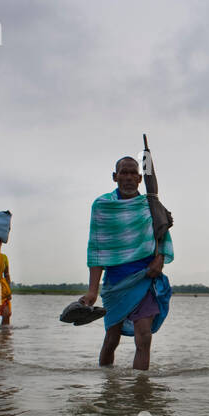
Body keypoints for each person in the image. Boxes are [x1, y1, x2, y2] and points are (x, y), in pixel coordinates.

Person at [80, 156, 174, 370]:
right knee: (111, 338)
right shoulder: (102, 206)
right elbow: (96, 251)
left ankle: (140, 392)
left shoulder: (151, 205)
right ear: (115, 177)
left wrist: (159, 260)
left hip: (145, 279)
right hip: (116, 283)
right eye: (124, 172)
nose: (129, 177)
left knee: (144, 337)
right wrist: (92, 292)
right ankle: (107, 386)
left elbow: (163, 238)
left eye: (133, 173)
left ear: (141, 178)